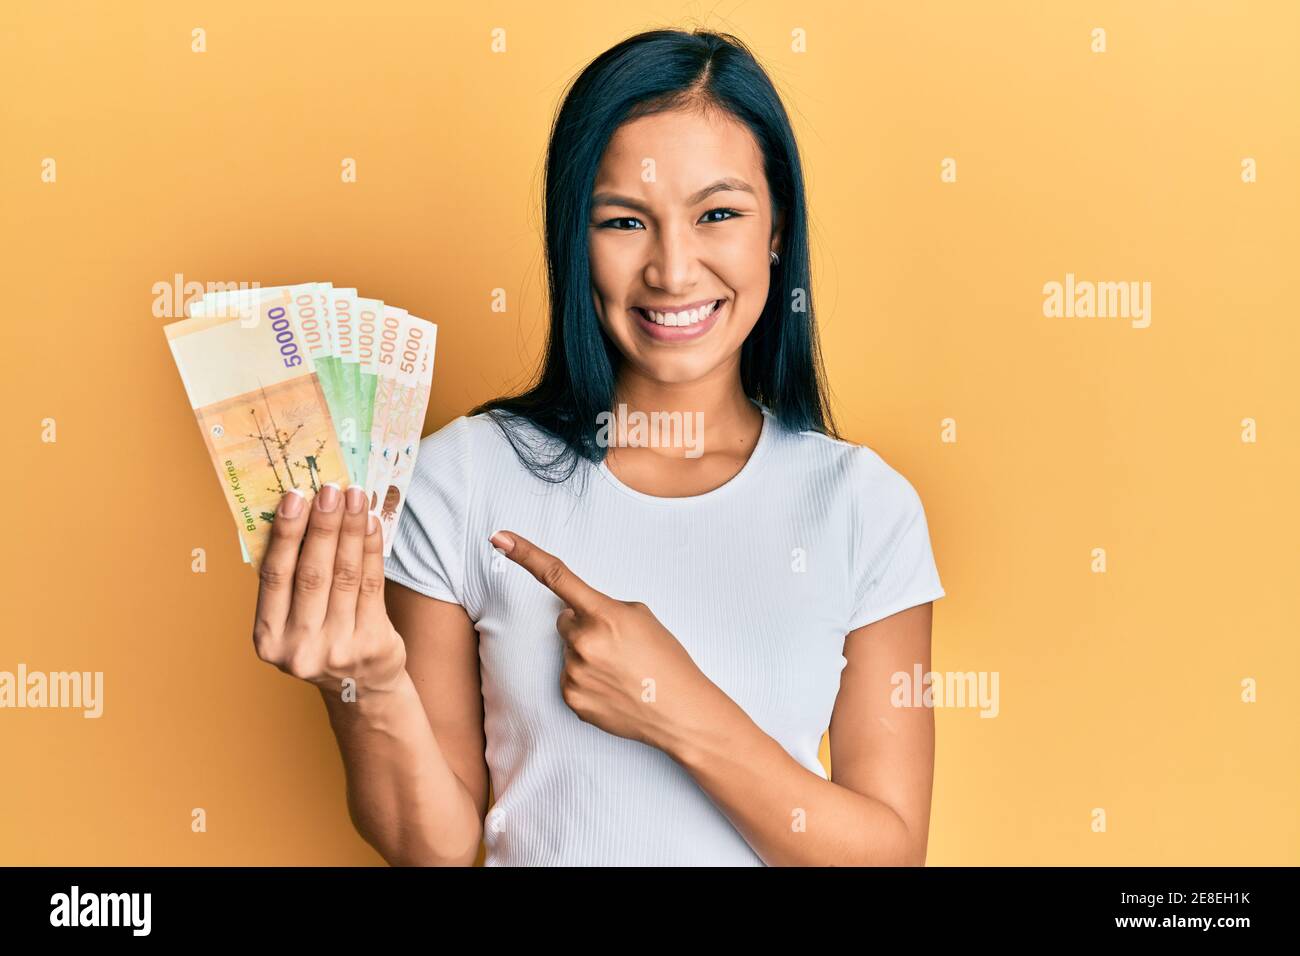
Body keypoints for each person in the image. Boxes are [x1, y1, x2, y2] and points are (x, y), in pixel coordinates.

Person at [251, 27, 945, 866]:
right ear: (573, 241)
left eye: (718, 214)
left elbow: (889, 856)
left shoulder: (864, 507)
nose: (673, 270)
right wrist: (363, 683)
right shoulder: (459, 479)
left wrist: (675, 706)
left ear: (776, 230)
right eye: (624, 221)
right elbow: (435, 849)